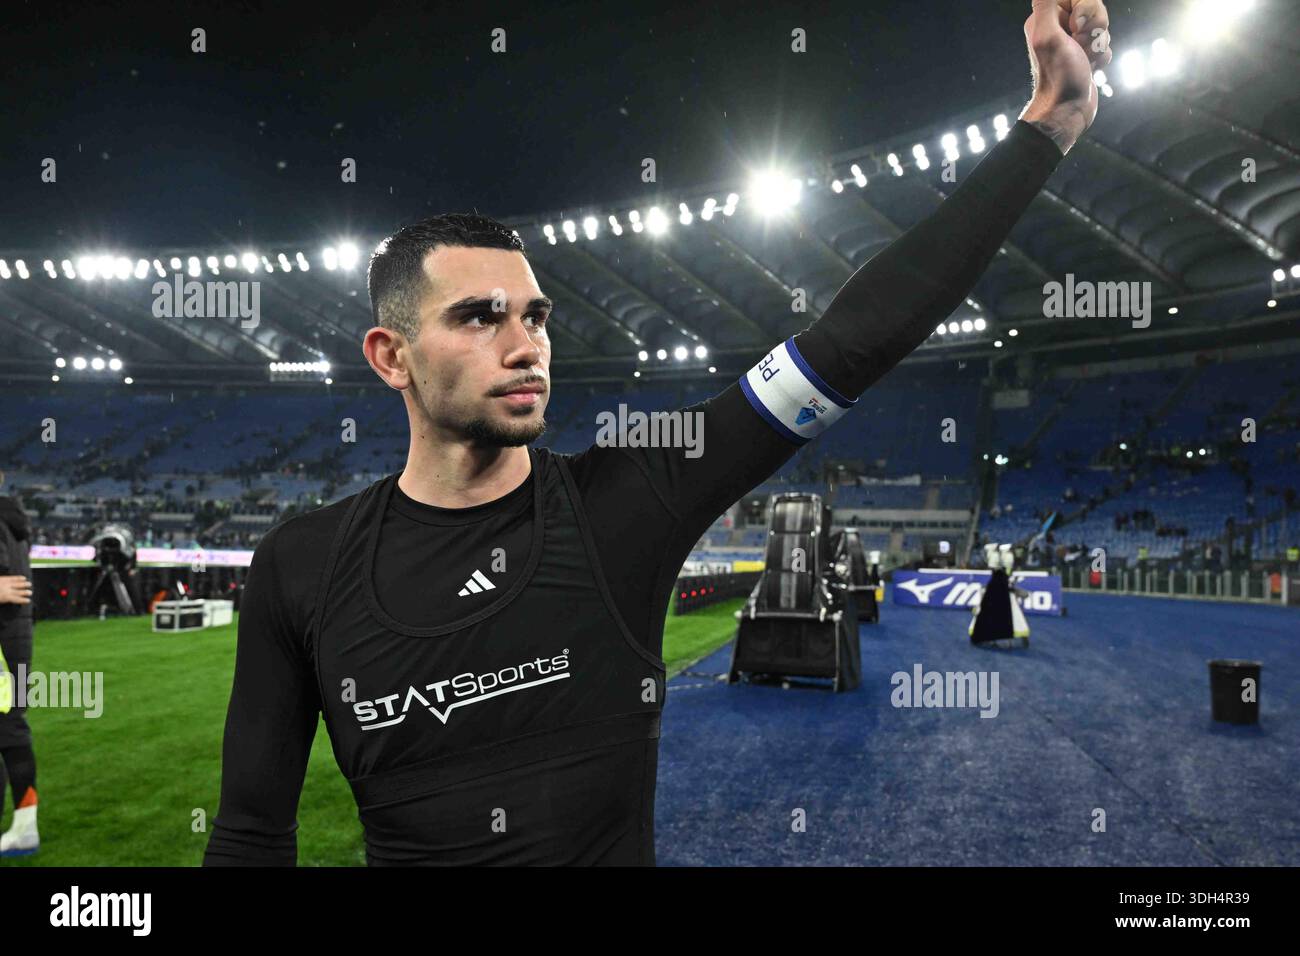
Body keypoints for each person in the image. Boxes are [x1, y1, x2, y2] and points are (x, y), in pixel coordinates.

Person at [204, 0, 1112, 865]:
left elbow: (850, 342)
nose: (527, 347)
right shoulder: (302, 566)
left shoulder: (628, 500)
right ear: (390, 356)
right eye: (481, 317)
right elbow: (249, 835)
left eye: (539, 316)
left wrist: (1050, 122)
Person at [0, 471, 39, 857]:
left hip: (4, 639)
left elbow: (6, 586)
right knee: (7, 730)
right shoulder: (11, 517)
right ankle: (23, 827)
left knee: (9, 729)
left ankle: (26, 829)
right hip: (14, 636)